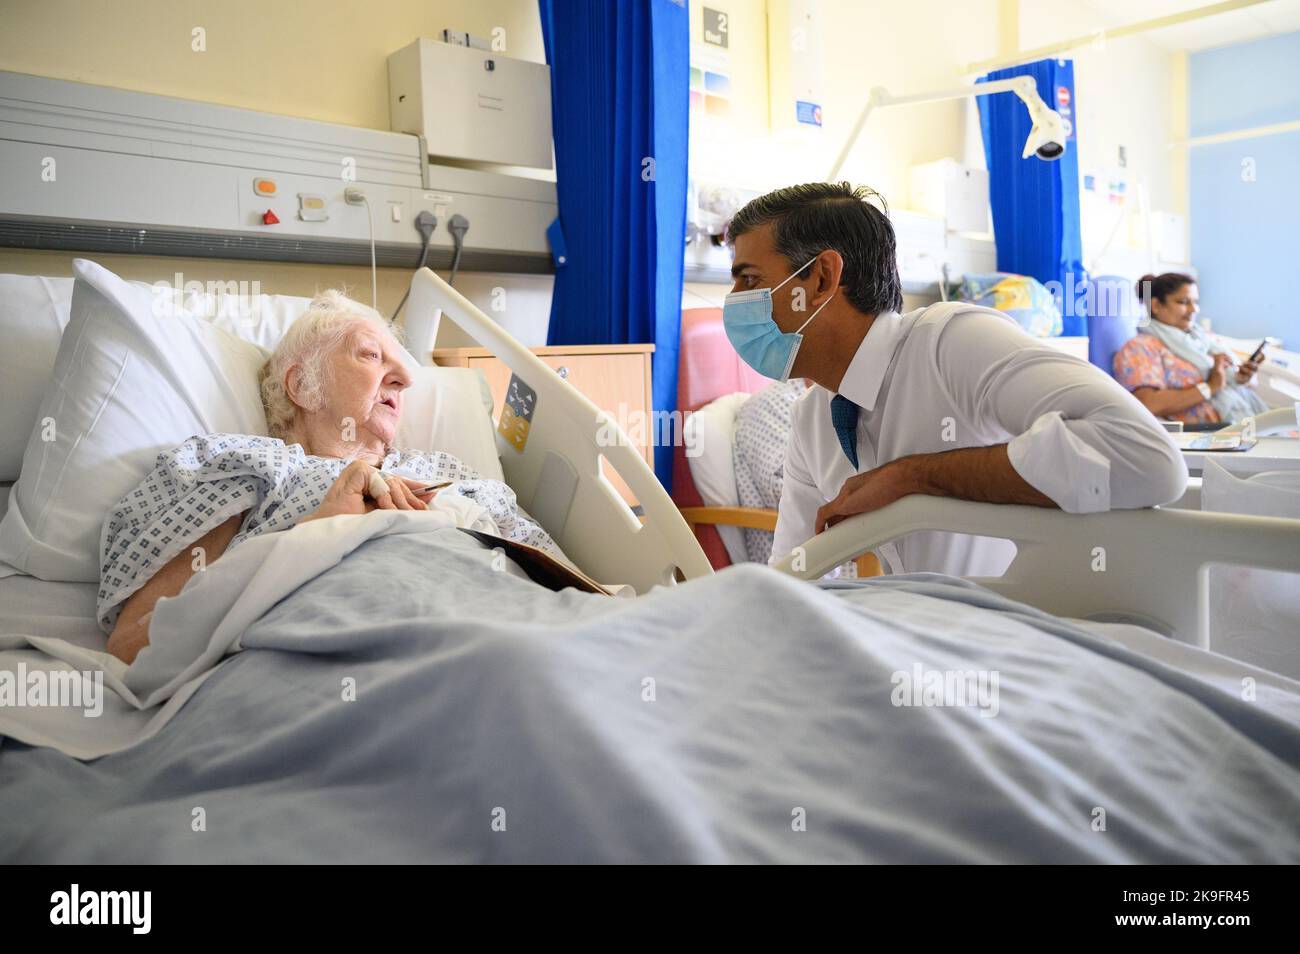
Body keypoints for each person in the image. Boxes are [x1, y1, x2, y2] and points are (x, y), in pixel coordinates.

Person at [723, 181, 1187, 577]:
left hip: (1035, 631)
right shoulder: (815, 418)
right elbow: (793, 572)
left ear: (822, 279)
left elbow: (1146, 458)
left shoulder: (951, 343)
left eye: (749, 279)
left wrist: (915, 477)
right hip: (931, 642)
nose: (734, 300)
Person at [102, 290, 560, 664]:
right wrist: (319, 528)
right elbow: (134, 645)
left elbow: (576, 592)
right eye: (371, 355)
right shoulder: (251, 470)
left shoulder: (455, 475)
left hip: (521, 635)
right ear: (302, 386)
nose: (404, 378)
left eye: (398, 364)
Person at [1113, 272, 1267, 427]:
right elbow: (1147, 403)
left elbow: (1249, 384)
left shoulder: (1204, 338)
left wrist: (1242, 377)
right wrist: (1210, 387)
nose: (1194, 309)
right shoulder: (1141, 348)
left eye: (1195, 302)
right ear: (1156, 305)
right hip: (1203, 438)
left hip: (1241, 420)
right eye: (1184, 302)